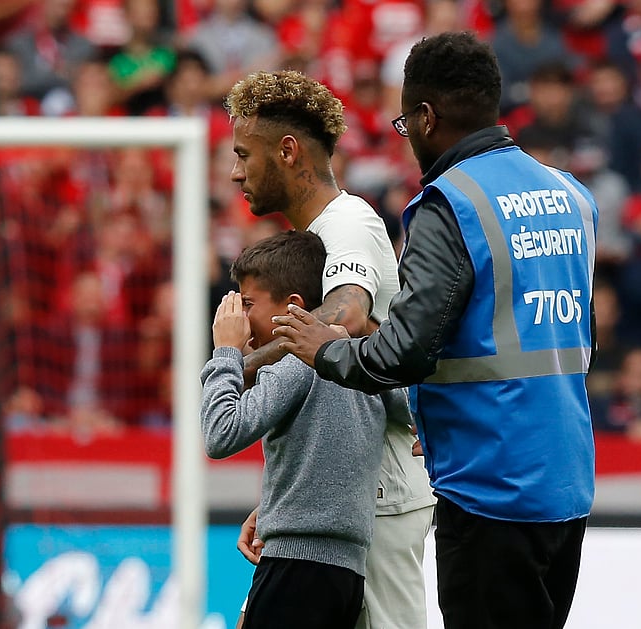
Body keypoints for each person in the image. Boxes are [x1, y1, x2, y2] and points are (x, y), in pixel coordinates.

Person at [274, 32, 598, 629]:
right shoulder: (569, 195)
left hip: (489, 488)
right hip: (567, 480)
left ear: (426, 116)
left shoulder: (452, 202)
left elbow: (406, 350)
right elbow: (578, 337)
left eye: (405, 123)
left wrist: (328, 352)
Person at [225, 69, 435, 629]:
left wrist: (239, 365)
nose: (235, 171)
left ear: (288, 151)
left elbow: (345, 317)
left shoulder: (348, 221)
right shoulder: (313, 237)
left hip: (382, 491)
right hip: (342, 490)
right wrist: (288, 501)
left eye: (245, 154)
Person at [200, 230, 387, 629]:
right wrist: (276, 506)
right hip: (346, 572)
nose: (240, 316)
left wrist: (226, 352)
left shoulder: (299, 361)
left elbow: (220, 433)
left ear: (293, 308)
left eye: (248, 304)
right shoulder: (360, 356)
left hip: (297, 568)